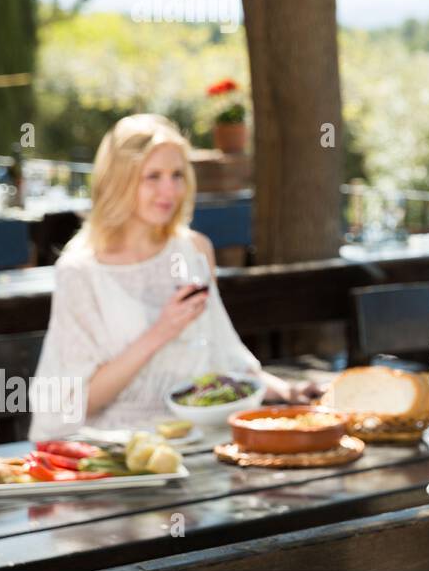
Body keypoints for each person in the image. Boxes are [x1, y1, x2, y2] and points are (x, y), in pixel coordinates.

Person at [28, 114, 320, 440]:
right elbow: (71, 405)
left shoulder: (195, 250)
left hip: (203, 440)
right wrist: (161, 330)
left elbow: (221, 354)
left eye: (177, 175)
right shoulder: (81, 271)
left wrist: (286, 391)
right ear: (119, 180)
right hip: (124, 455)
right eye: (152, 176)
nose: (169, 190)